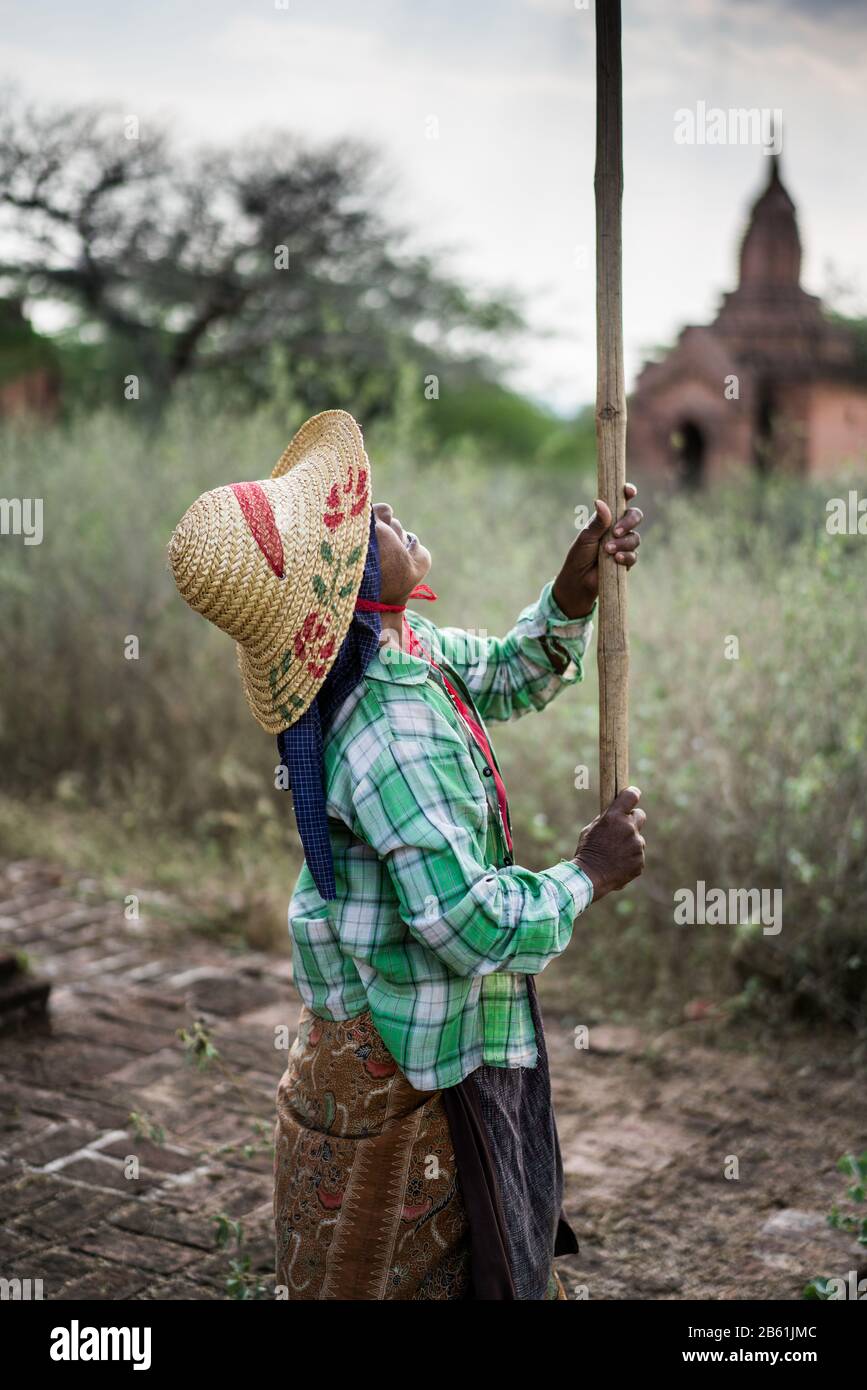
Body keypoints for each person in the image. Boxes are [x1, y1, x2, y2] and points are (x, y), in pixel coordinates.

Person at [169, 409, 646, 1301]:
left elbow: (506, 670)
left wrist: (572, 592)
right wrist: (585, 874)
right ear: (344, 588)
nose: (380, 506)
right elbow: (464, 924)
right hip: (411, 1050)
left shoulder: (397, 656)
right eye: (356, 526)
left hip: (392, 1027)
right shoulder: (388, 733)